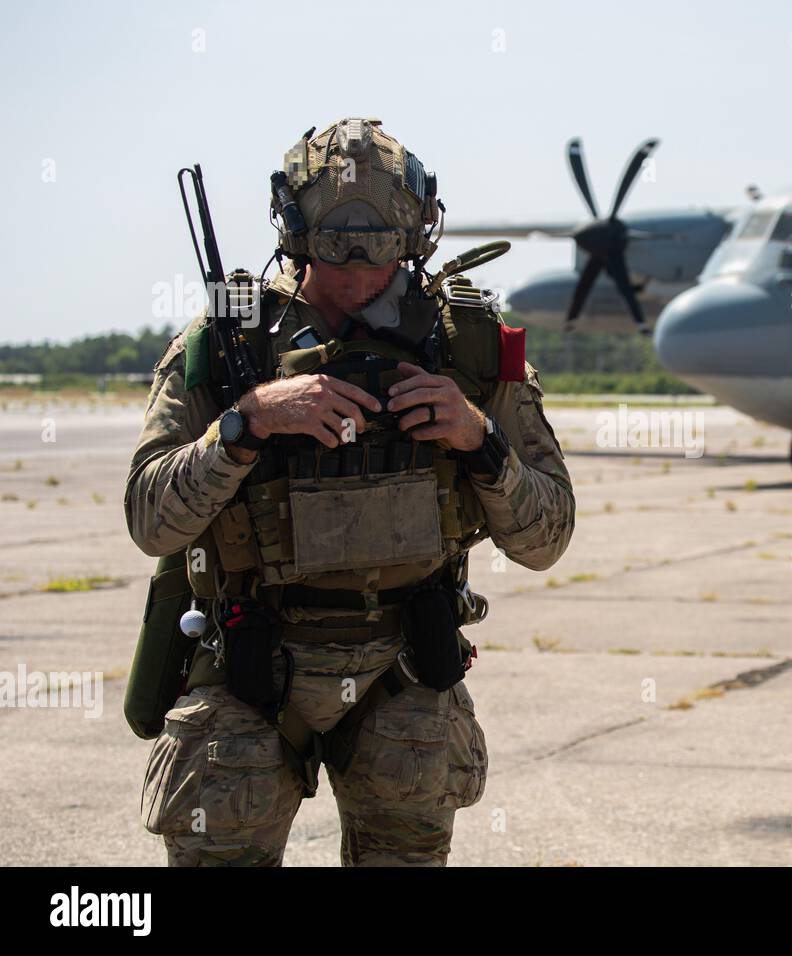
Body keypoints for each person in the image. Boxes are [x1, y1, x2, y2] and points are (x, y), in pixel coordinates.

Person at [127, 117, 574, 865]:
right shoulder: (231, 343)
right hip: (247, 670)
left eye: (382, 248)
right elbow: (151, 521)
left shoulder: (466, 344)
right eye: (337, 251)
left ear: (416, 237)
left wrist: (477, 439)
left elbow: (547, 538)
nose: (358, 276)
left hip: (404, 677)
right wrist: (247, 423)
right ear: (297, 234)